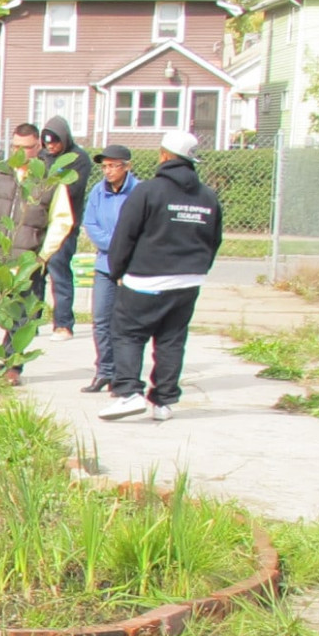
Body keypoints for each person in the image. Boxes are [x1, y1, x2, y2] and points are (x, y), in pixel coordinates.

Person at [100, 128, 223, 422]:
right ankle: (163, 402)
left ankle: (129, 393)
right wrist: (198, 269)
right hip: (188, 281)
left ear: (164, 156)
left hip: (146, 279)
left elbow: (124, 236)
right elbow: (214, 239)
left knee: (128, 334)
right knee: (171, 340)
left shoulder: (148, 191)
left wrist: (117, 271)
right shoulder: (208, 197)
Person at [0, 123, 74, 384]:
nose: (20, 152)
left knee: (23, 318)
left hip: (27, 261)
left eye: (26, 147)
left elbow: (62, 220)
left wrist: (42, 256)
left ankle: (12, 366)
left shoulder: (50, 180)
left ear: (38, 147)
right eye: (15, 147)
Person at [77, 144, 136, 393]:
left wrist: (124, 244)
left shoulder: (139, 191)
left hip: (132, 266)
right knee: (101, 319)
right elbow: (90, 223)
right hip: (105, 264)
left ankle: (123, 375)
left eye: (113, 165)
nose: (108, 171)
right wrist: (115, 243)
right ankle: (104, 371)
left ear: (127, 167)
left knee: (126, 323)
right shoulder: (97, 192)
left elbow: (140, 226)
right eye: (105, 166)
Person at [40, 114, 94, 336]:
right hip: (40, 223)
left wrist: (46, 188)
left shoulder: (78, 158)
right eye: (46, 141)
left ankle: (63, 323)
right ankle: (29, 323)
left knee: (59, 272)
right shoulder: (41, 157)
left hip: (64, 225)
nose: (50, 146)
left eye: (55, 141)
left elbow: (71, 189)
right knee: (34, 275)